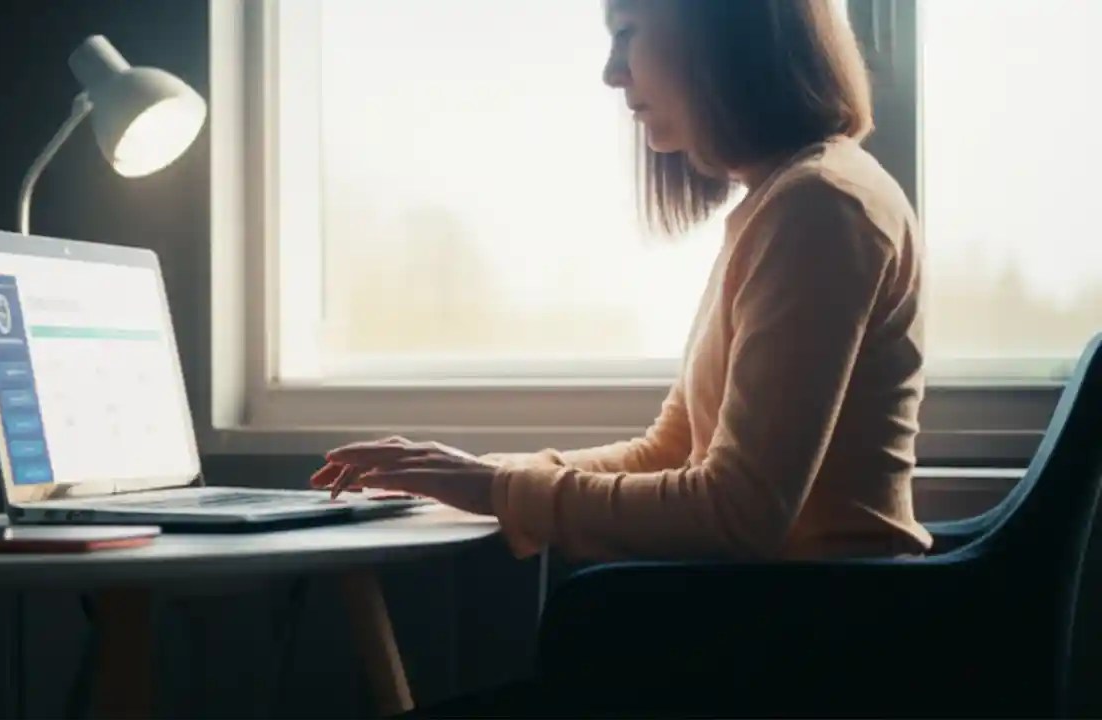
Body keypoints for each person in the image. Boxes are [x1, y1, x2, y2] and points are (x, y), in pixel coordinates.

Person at [311, 0, 932, 563]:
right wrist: (471, 473)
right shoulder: (786, 199)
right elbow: (670, 451)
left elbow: (740, 512)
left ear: (717, 35)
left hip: (828, 634)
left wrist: (492, 487)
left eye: (627, 34)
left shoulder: (821, 205)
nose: (612, 72)